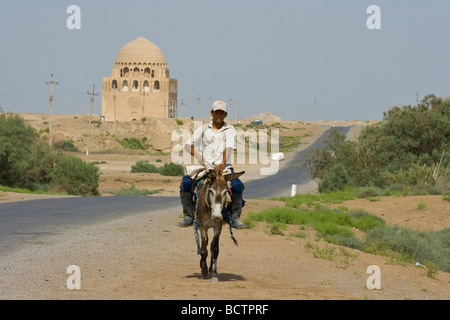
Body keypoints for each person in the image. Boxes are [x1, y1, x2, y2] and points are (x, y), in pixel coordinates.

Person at [178, 100, 245, 229]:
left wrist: (222, 163)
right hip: (205, 167)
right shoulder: (203, 129)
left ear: (225, 114)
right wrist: (199, 157)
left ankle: (236, 217)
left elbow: (229, 148)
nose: (219, 116)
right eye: (217, 112)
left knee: (237, 185)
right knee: (185, 183)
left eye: (222, 113)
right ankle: (188, 216)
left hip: (223, 168)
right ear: (211, 113)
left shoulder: (229, 129)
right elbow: (187, 145)